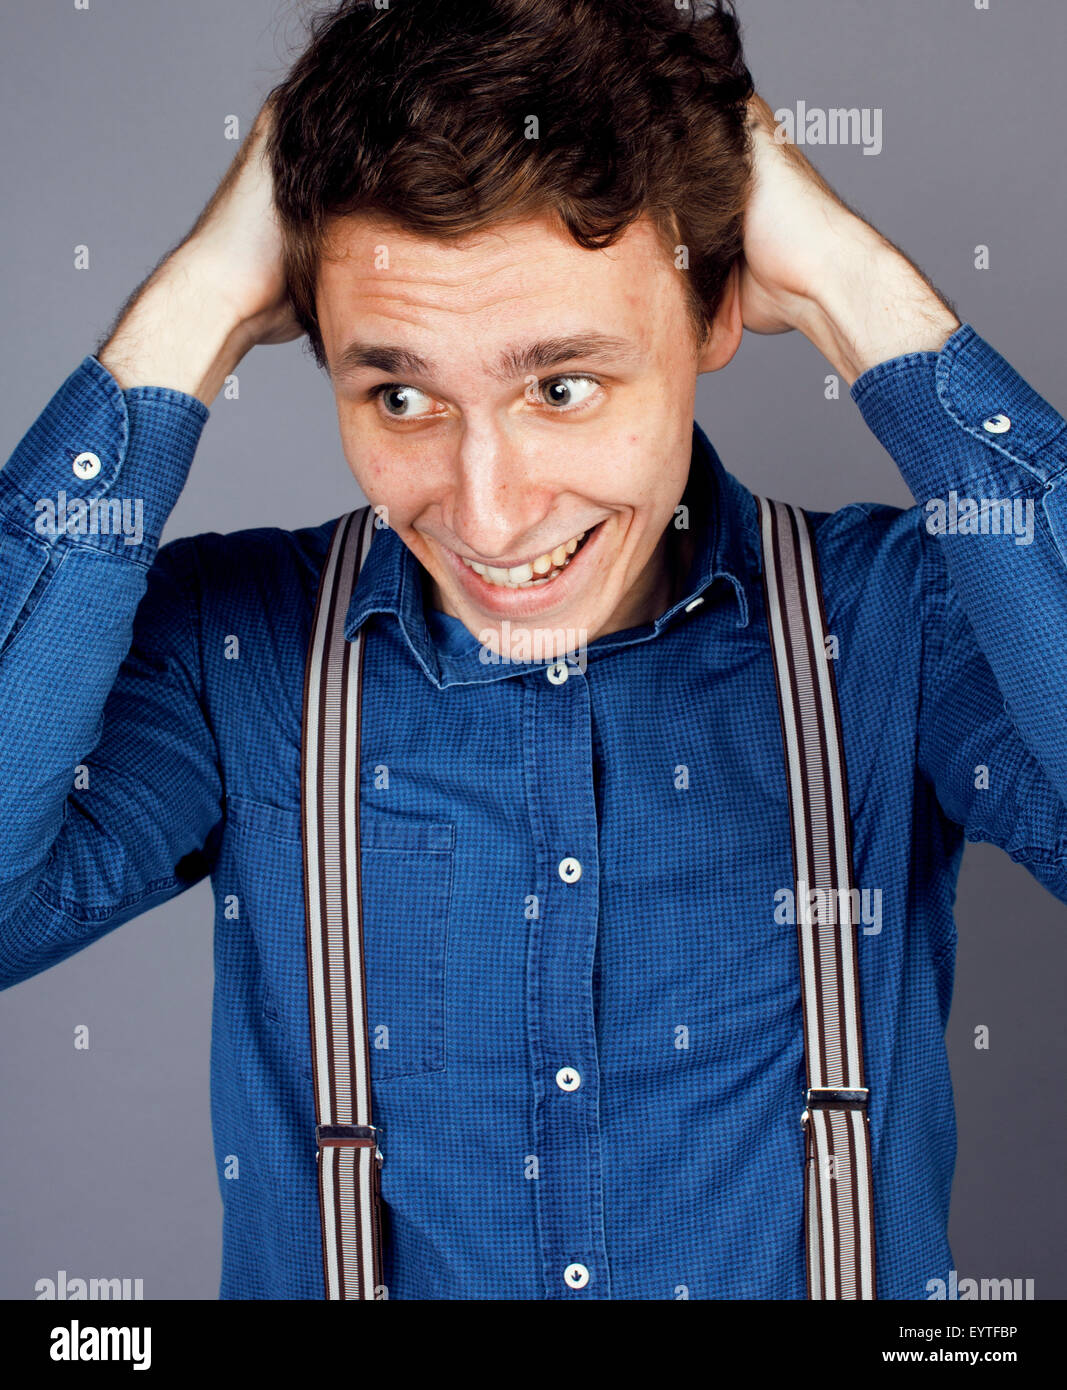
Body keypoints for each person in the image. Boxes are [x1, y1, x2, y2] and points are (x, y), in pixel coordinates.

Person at [2, 0, 1064, 1300]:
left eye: (562, 385)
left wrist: (865, 290)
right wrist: (186, 312)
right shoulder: (243, 646)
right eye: (400, 395)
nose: (488, 510)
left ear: (716, 308)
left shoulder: (898, 620)